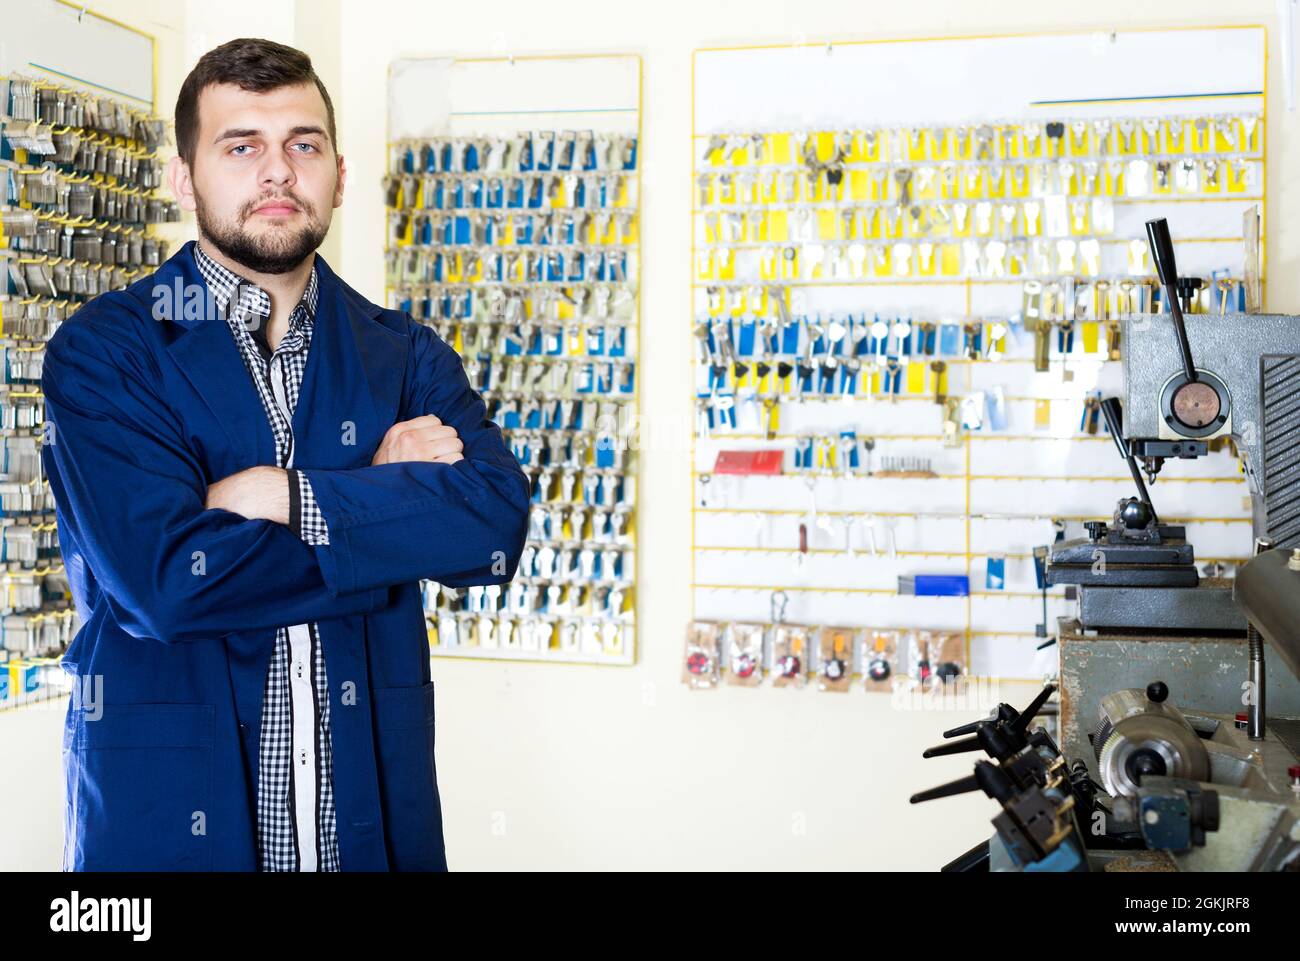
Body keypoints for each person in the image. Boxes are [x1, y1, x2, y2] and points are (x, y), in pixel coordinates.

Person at [40, 37, 529, 871]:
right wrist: (374, 501)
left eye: (302, 145)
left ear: (338, 171)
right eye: (241, 147)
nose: (277, 172)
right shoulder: (105, 353)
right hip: (172, 831)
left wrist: (283, 495)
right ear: (183, 177)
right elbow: (165, 584)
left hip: (370, 829)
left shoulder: (402, 352)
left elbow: (492, 526)